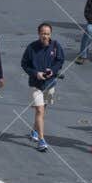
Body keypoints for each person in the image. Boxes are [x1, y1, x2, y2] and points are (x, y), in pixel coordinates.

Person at [21, 22, 64, 153]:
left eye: (47, 34)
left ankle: (34, 131)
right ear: (38, 34)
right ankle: (41, 140)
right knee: (39, 110)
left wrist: (52, 70)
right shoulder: (31, 48)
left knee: (42, 110)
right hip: (35, 84)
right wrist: (36, 74)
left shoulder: (56, 46)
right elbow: (24, 64)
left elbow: (60, 61)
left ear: (50, 34)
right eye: (43, 33)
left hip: (50, 84)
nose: (45, 36)